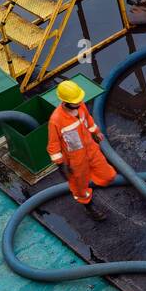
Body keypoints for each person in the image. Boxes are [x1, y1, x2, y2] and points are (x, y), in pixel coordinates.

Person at [47, 81, 116, 221]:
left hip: (91, 150)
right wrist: (62, 165)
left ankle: (92, 181)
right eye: (76, 101)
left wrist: (95, 132)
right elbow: (53, 147)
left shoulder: (80, 106)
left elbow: (88, 120)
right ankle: (89, 207)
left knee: (108, 175)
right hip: (75, 161)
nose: (80, 102)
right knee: (79, 188)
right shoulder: (56, 120)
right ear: (65, 101)